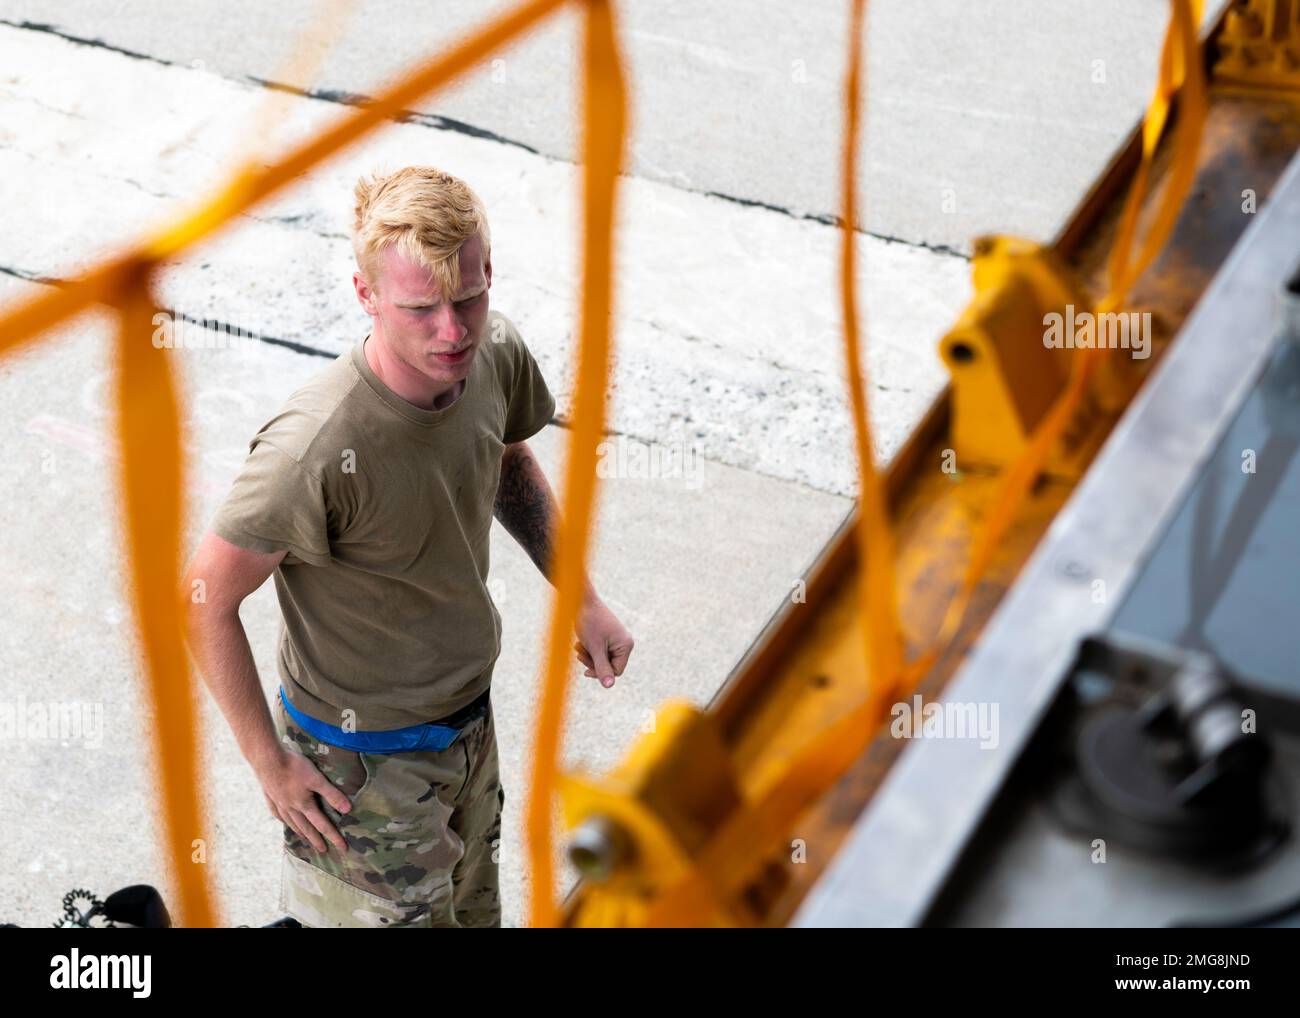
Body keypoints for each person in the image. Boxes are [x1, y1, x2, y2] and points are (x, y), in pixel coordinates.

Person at [181, 165, 634, 927]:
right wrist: (269, 765)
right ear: (366, 297)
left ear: (488, 271)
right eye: (420, 309)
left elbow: (502, 458)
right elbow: (202, 600)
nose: (452, 332)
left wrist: (582, 599)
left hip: (468, 733)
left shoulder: (495, 357)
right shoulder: (315, 449)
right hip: (361, 776)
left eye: (468, 298)